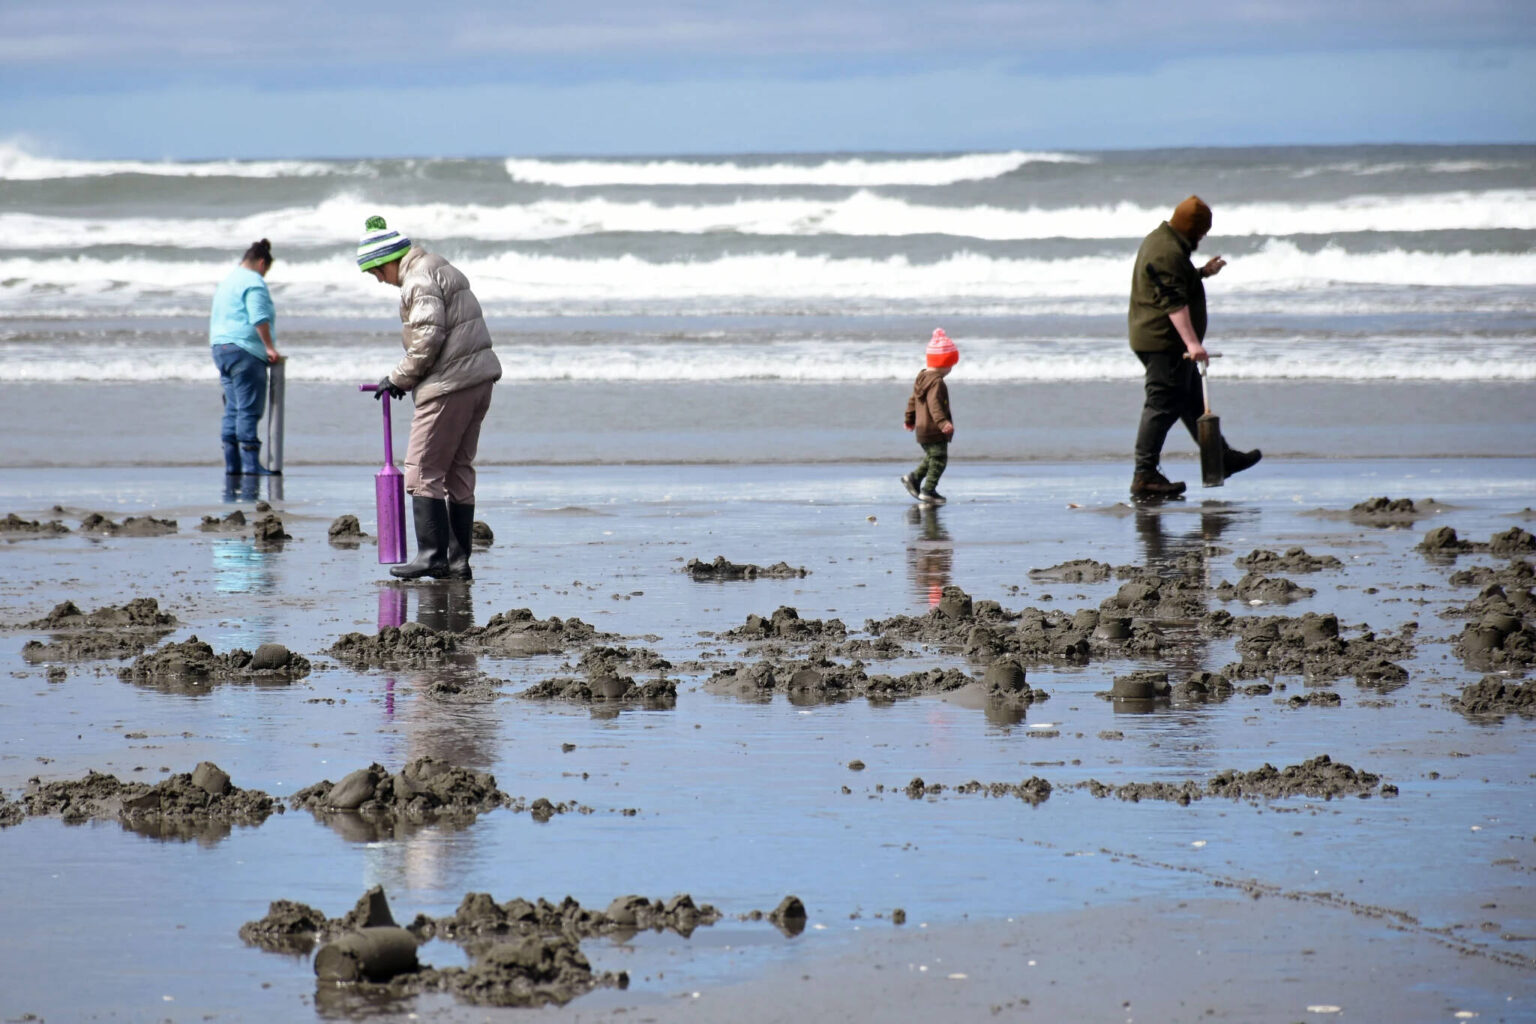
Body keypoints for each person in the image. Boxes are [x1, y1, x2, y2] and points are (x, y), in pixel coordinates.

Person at [358, 216, 501, 580]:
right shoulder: (439, 267)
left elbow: (427, 338)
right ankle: (458, 561)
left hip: (449, 383)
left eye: (377, 271)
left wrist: (398, 378)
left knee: (421, 470)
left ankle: (432, 556)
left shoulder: (418, 279)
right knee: (458, 469)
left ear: (390, 260)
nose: (379, 280)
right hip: (478, 380)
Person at [1127, 196, 1260, 497]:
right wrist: (1192, 343)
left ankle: (1221, 458)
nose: (1202, 238)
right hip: (1162, 341)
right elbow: (1172, 300)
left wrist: (1202, 272)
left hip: (1162, 338)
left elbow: (1172, 280)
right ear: (1192, 228)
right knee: (1162, 403)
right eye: (1201, 232)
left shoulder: (1165, 241)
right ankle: (1144, 475)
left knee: (1190, 401)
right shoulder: (1166, 251)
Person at [210, 239, 282, 476]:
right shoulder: (253, 282)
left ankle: (232, 465)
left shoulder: (227, 281)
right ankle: (251, 465)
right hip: (245, 350)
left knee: (232, 407)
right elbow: (258, 316)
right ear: (262, 263)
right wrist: (269, 348)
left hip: (220, 347)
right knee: (249, 409)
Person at [900, 328, 958, 506]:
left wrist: (909, 420)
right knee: (939, 459)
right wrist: (942, 422)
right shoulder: (937, 382)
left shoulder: (922, 378)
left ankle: (913, 479)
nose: (950, 370)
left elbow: (913, 400)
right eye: (950, 365)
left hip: (922, 428)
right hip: (934, 428)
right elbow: (934, 404)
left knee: (932, 456)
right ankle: (928, 491)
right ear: (943, 362)